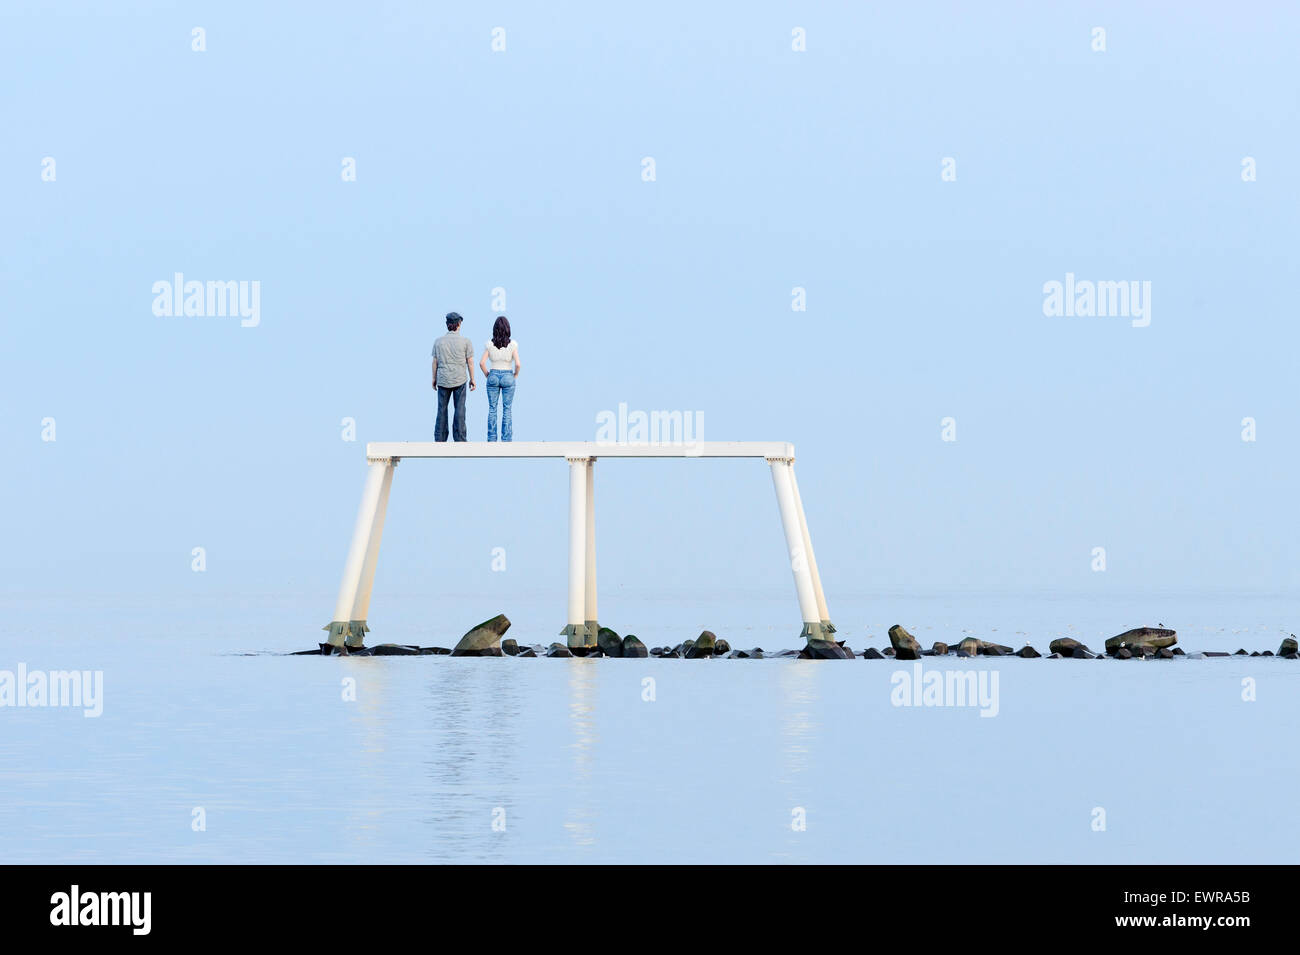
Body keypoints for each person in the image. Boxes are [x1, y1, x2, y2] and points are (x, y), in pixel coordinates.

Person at [432, 312, 476, 441]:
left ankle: (440, 438)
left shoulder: (438, 342)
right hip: (460, 379)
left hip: (443, 378)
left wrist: (434, 378)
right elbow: (470, 362)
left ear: (447, 325)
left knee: (442, 409)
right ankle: (460, 438)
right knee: (460, 408)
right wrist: (473, 379)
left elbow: (435, 362)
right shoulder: (466, 341)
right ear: (458, 324)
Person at [480, 316, 520, 442]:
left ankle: (491, 438)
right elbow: (518, 364)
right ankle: (506, 439)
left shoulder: (489, 344)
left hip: (493, 374)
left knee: (492, 408)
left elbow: (481, 363)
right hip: (508, 374)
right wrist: (515, 375)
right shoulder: (512, 344)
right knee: (507, 408)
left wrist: (488, 374)